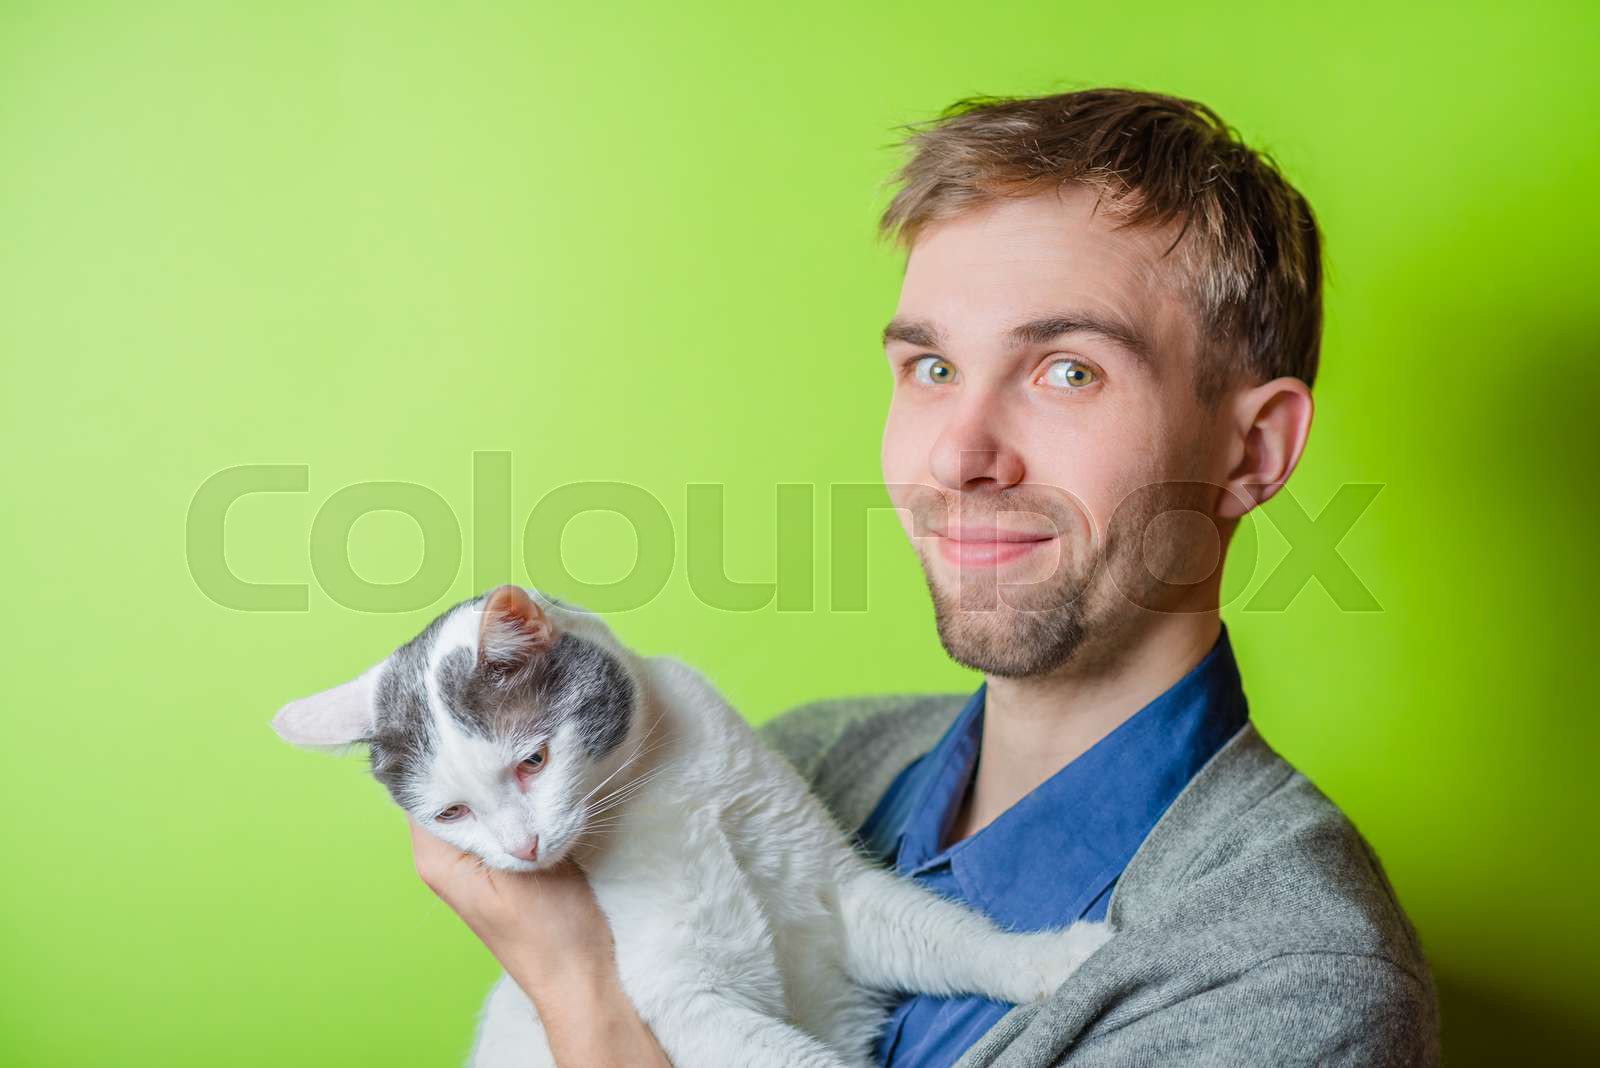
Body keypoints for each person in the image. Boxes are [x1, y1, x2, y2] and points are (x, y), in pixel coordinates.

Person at [409, 86, 1441, 1066]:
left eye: (1067, 371)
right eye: (932, 369)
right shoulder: (805, 761)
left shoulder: (1285, 980)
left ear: (1252, 451)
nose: (957, 456)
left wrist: (577, 986)